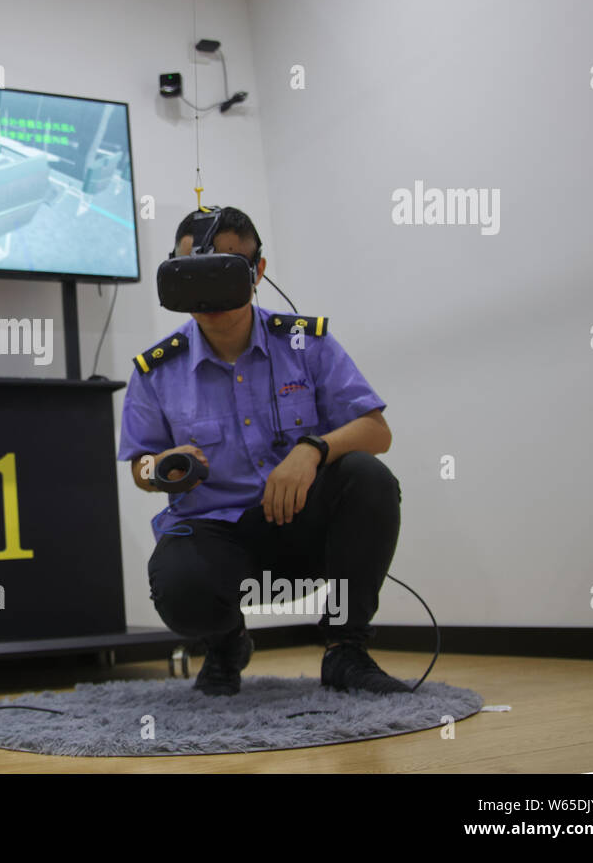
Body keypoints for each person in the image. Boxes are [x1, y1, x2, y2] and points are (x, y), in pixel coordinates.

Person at [118, 207, 412, 696]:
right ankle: (227, 643)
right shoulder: (156, 370)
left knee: (367, 478)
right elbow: (140, 467)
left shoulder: (304, 342)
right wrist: (163, 468)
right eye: (195, 270)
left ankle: (346, 651)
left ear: (258, 271)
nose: (209, 286)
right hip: (218, 538)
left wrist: (314, 449)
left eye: (227, 267)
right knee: (177, 582)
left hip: (303, 530)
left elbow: (377, 432)